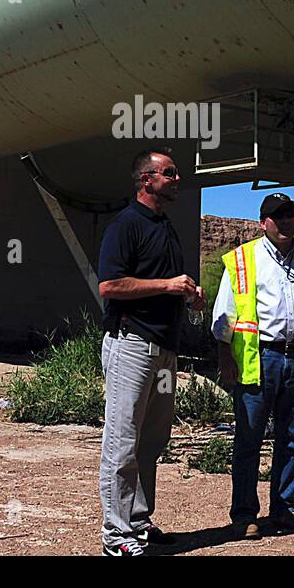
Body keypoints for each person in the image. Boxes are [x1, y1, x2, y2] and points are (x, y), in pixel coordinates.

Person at [212, 192, 294, 539]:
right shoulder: (244, 259)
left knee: (291, 439)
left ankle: (284, 509)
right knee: (248, 440)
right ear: (264, 223)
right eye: (278, 216)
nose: (286, 221)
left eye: (290, 215)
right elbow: (223, 315)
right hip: (259, 358)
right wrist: (225, 356)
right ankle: (244, 516)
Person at [96, 147, 204, 556]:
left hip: (164, 348)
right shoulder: (126, 225)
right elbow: (109, 286)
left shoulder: (165, 225)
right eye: (170, 173)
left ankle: (138, 522)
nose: (177, 179)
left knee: (152, 441)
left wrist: (190, 295)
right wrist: (167, 286)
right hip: (131, 344)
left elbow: (168, 283)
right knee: (121, 441)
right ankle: (116, 535)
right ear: (146, 180)